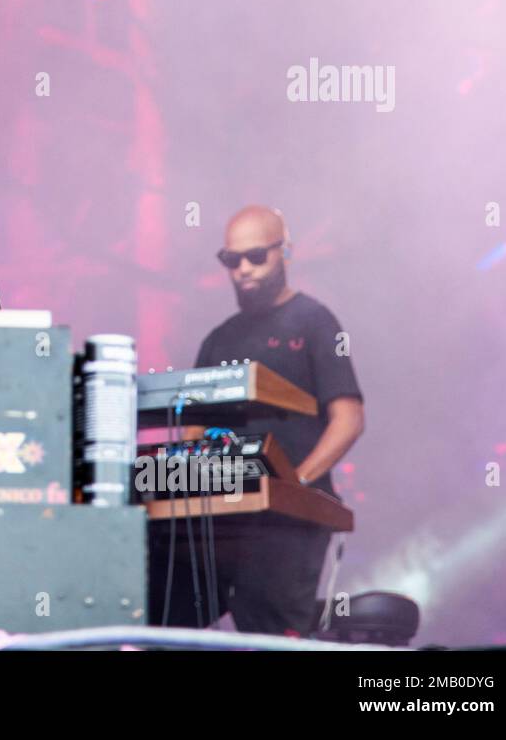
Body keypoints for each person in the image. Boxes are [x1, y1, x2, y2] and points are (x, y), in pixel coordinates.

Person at [150, 205, 365, 635]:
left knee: (273, 637)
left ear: (284, 252)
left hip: (289, 522)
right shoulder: (219, 338)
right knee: (164, 622)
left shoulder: (317, 322)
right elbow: (193, 432)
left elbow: (349, 418)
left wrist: (294, 484)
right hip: (219, 519)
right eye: (232, 260)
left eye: (256, 256)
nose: (243, 269)